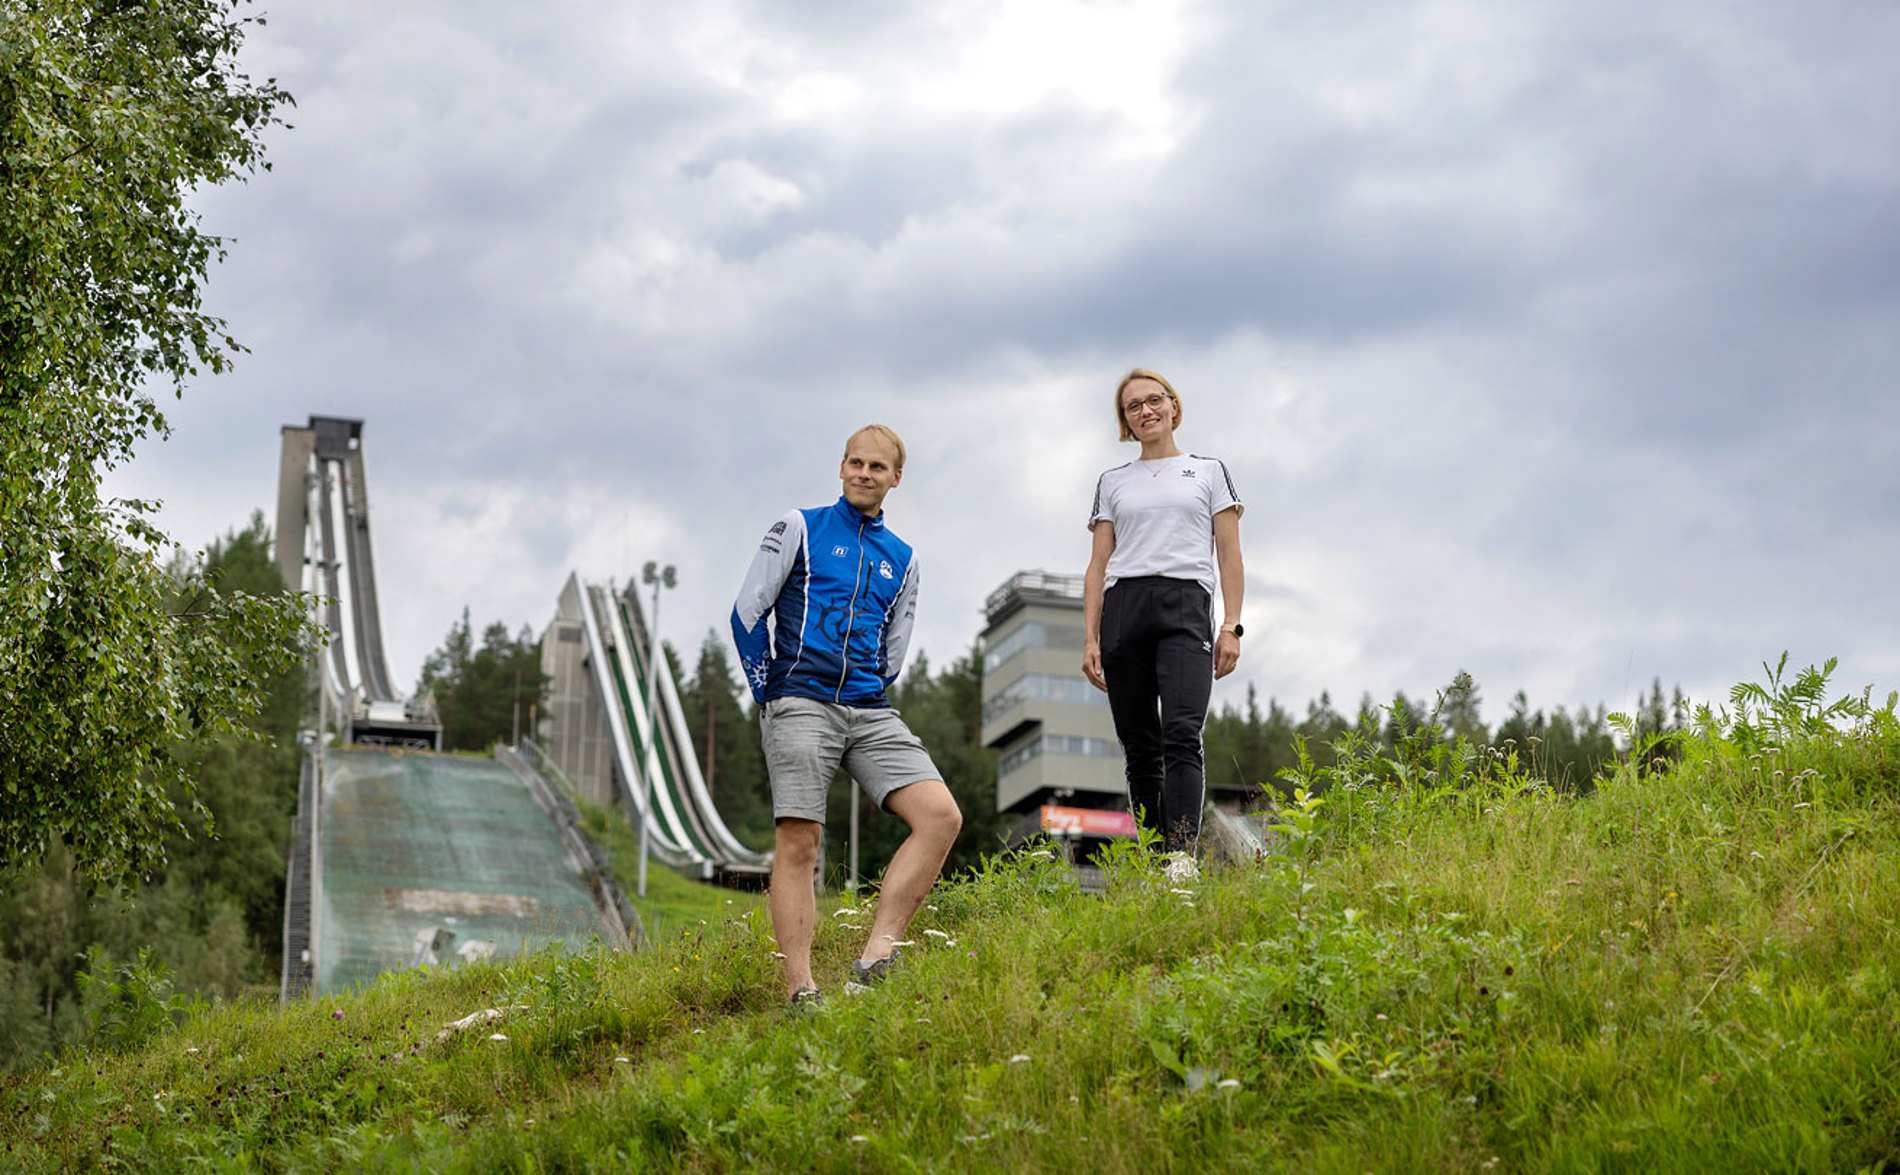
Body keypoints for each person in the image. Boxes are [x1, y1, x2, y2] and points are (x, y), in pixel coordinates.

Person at [731, 424, 963, 1007]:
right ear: (841, 467)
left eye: (877, 467)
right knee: (801, 841)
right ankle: (801, 989)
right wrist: (770, 693)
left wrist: (866, 696)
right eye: (855, 463)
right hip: (799, 699)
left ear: (895, 479)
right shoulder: (799, 526)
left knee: (940, 817)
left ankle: (877, 957)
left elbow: (894, 651)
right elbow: (746, 613)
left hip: (869, 706)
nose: (864, 473)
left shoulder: (904, 558)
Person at [1082, 369, 1245, 881]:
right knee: (1139, 746)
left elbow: (1230, 555)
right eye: (1134, 406)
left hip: (1185, 604)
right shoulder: (1112, 482)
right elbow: (1098, 564)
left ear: (1173, 405)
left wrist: (1231, 627)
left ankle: (1181, 857)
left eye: (1154, 400)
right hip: (1124, 608)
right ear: (1125, 421)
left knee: (1181, 732)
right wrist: (1090, 636)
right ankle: (1155, 861)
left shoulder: (1209, 471)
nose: (1146, 410)